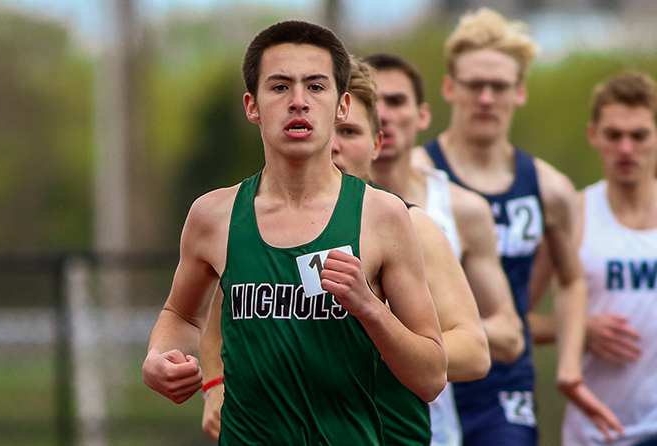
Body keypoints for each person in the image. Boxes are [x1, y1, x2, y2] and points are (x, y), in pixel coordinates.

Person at [142, 20, 447, 446]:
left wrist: (370, 309)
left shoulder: (382, 215)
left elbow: (431, 377)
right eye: (280, 87)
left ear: (342, 106)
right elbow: (181, 314)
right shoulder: (213, 215)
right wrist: (157, 359)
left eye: (316, 87)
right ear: (252, 106)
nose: (298, 102)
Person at [201, 56, 486, 446]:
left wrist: (371, 332)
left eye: (348, 132)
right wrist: (215, 386)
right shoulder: (258, 224)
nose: (331, 145)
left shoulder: (411, 225)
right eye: (322, 128)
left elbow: (474, 351)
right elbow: (218, 316)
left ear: (376, 144)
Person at [410, 7, 622, 445]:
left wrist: (568, 364)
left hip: (505, 381)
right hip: (431, 370)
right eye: (474, 85)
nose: (487, 98)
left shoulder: (548, 187)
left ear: (520, 91)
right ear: (450, 88)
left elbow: (571, 280)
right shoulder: (414, 174)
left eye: (500, 86)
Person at [363, 52, 525, 446]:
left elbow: (508, 336)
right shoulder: (305, 213)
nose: (383, 114)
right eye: (372, 103)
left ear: (422, 115)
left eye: (396, 101)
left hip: (432, 427)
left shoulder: (458, 208)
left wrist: (405, 336)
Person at [532, 71, 657, 446]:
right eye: (614, 135)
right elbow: (517, 321)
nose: (626, 149)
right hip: (595, 430)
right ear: (593, 135)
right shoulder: (572, 214)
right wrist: (578, 329)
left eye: (639, 136)